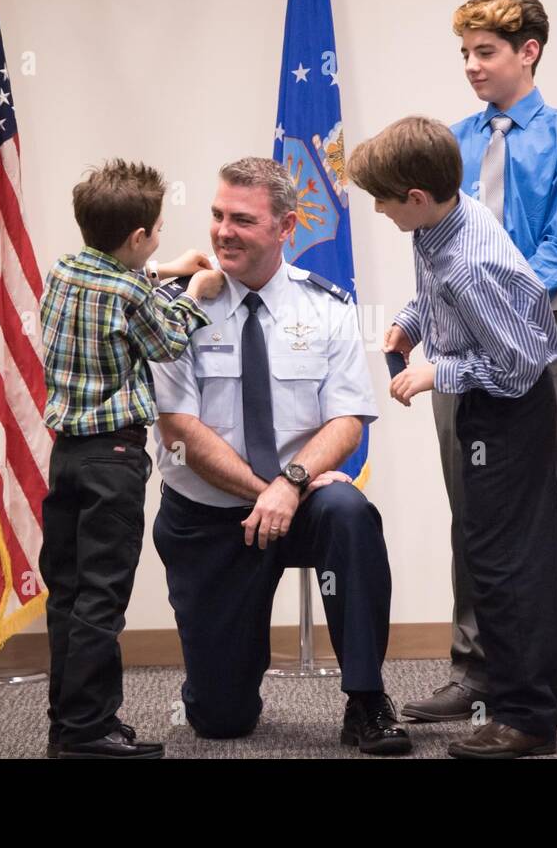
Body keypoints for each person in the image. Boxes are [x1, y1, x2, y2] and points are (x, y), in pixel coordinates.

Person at [149, 157, 410, 756]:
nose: (222, 232)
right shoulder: (178, 307)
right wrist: (265, 492)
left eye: (242, 220)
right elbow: (178, 428)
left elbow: (348, 420)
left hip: (300, 501)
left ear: (286, 226)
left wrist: (290, 485)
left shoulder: (326, 306)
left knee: (349, 513)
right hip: (211, 517)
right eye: (217, 215)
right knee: (221, 719)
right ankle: (221, 678)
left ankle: (367, 699)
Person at [351, 116, 557, 758]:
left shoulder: (469, 259)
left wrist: (436, 373)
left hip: (506, 408)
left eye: (383, 200)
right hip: (500, 403)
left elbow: (517, 364)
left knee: (503, 560)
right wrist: (411, 321)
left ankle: (524, 717)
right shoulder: (443, 221)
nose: (378, 210)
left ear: (416, 197)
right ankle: (556, 690)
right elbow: (442, 299)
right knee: (528, 547)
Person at [402, 0, 557, 726]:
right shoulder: (450, 143)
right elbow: (436, 248)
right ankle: (476, 666)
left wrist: (500, 304)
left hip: (542, 337)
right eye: (464, 53)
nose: (471, 65)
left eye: (485, 51)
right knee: (473, 504)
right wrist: (415, 321)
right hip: (459, 346)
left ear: (529, 51)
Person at [39, 159, 224, 759]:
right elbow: (167, 339)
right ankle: (90, 729)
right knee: (103, 594)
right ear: (139, 236)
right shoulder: (130, 292)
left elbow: (119, 283)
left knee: (68, 591)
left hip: (66, 457)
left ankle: (68, 723)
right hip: (113, 458)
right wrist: (194, 292)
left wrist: (164, 269)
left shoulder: (65, 271)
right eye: (159, 231)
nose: (161, 238)